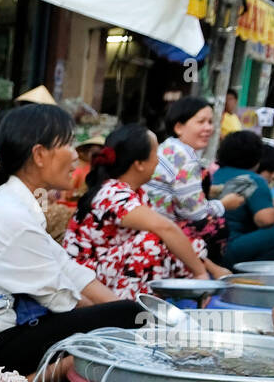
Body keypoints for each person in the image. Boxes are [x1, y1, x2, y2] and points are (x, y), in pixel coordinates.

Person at [0, 103, 145, 380]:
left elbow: (68, 269)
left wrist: (116, 311)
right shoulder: (10, 216)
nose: (75, 156)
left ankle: (58, 370)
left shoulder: (14, 204)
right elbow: (66, 300)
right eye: (68, 145)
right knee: (125, 319)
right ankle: (36, 379)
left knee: (125, 316)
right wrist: (122, 320)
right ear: (39, 154)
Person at [63, 125, 224, 300]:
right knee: (154, 240)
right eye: (156, 154)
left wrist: (212, 270)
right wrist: (200, 274)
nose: (159, 161)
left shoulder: (135, 192)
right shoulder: (112, 194)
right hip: (87, 277)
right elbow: (164, 229)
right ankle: (135, 307)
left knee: (184, 241)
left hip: (108, 268)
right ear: (139, 164)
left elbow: (172, 235)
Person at [145, 96, 245, 260]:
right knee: (217, 225)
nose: (208, 128)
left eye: (210, 122)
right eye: (201, 122)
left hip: (152, 224)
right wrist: (224, 204)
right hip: (162, 232)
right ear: (179, 127)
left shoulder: (168, 147)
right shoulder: (185, 158)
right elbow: (195, 214)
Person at [213, 130, 274, 265]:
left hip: (206, 246)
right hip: (229, 249)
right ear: (257, 158)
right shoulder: (253, 179)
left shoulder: (215, 174)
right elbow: (265, 219)